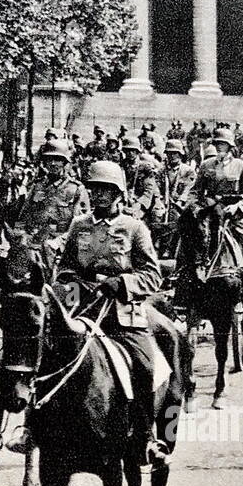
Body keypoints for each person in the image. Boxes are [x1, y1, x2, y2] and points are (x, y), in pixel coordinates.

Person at [57, 160, 170, 463]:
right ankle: (32, 429)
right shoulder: (79, 226)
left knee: (146, 366)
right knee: (45, 354)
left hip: (121, 315)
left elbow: (152, 276)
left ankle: (146, 436)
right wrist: (72, 283)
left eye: (106, 190)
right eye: (94, 190)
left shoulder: (135, 228)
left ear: (119, 193)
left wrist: (120, 282)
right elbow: (65, 269)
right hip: (82, 310)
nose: (99, 196)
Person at [188, 127, 243, 307]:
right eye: (216, 144)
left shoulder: (241, 166)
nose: (219, 147)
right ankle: (183, 287)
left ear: (230, 146)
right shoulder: (206, 165)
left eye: (223, 144)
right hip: (210, 214)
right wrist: (195, 207)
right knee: (187, 242)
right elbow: (195, 192)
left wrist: (237, 207)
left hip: (235, 218)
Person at [16, 138, 88, 265]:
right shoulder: (37, 186)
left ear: (65, 162)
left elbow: (81, 227)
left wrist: (59, 242)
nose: (53, 164)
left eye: (57, 160)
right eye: (49, 160)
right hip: (35, 241)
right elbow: (24, 215)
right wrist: (20, 234)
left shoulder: (76, 189)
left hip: (60, 246)